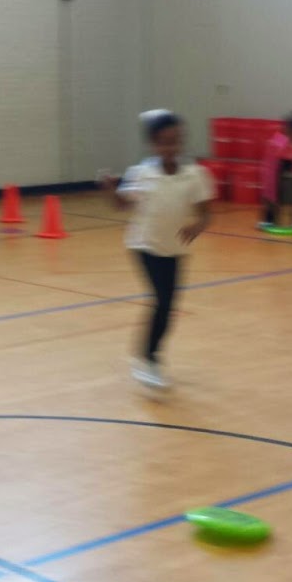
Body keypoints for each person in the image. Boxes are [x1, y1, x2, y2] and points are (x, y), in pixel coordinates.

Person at [98, 110, 214, 391]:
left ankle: (149, 356)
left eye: (175, 141)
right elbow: (121, 206)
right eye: (164, 142)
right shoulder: (142, 174)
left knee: (168, 306)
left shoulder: (194, 175)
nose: (170, 148)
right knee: (162, 300)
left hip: (174, 249)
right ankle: (148, 359)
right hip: (144, 246)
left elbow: (206, 213)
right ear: (153, 144)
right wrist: (110, 190)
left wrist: (196, 226)